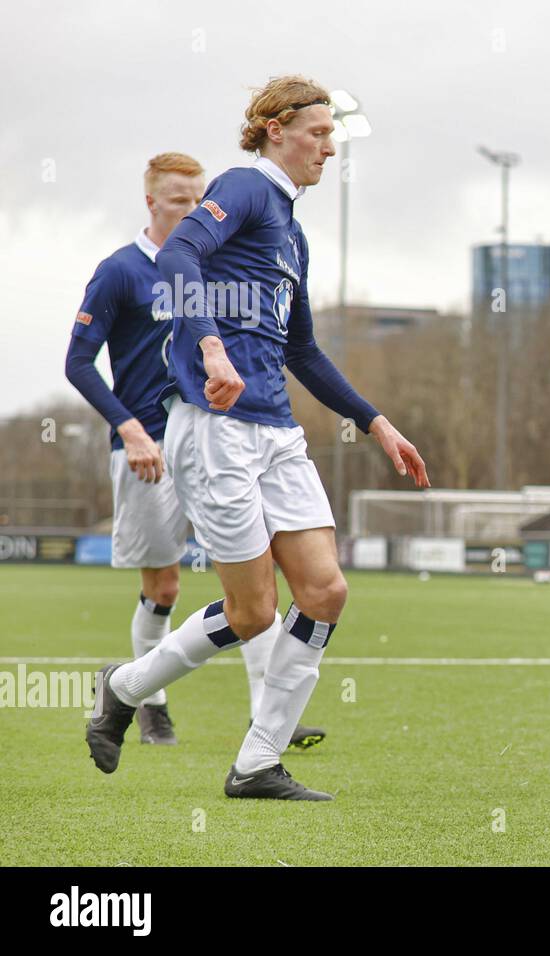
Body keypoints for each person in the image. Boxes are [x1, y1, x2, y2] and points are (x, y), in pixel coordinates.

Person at [86, 76, 430, 801]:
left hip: (276, 431)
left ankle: (256, 763)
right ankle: (124, 687)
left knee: (326, 591)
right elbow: (178, 259)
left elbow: (302, 350)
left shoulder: (293, 233)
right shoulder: (243, 187)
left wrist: (376, 421)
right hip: (213, 431)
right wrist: (210, 347)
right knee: (253, 613)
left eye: (334, 137)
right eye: (318, 133)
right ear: (276, 129)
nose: (329, 149)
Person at [65, 152, 324, 751]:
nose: (192, 211)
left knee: (256, 573)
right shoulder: (122, 271)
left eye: (197, 200)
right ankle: (147, 702)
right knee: (164, 588)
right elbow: (78, 363)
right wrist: (128, 429)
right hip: (147, 445)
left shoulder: (218, 261)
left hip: (218, 436)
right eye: (179, 201)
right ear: (152, 203)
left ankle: (267, 716)